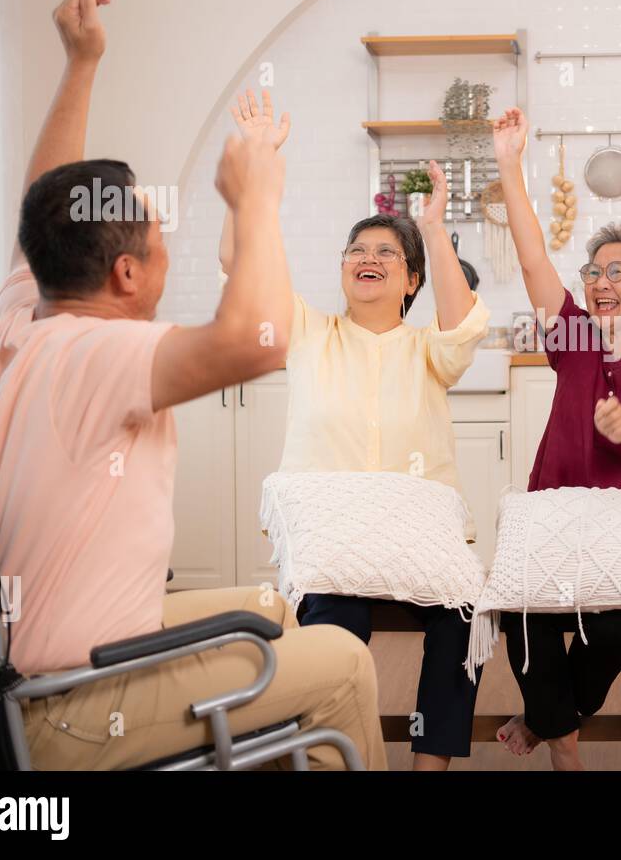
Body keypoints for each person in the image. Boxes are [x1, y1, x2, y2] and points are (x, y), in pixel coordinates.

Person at [0, 0, 386, 770]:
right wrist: (257, 197)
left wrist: (81, 63)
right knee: (346, 664)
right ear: (126, 274)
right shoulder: (98, 353)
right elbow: (258, 339)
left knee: (275, 611)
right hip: (79, 708)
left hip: (33, 677)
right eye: (159, 244)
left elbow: (43, 202)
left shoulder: (24, 320)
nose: (166, 255)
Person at [218, 95, 491, 771]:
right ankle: (341, 761)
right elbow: (241, 267)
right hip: (334, 540)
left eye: (386, 254)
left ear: (410, 280)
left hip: (420, 541)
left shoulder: (430, 347)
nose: (368, 258)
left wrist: (431, 224)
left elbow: (463, 324)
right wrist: (254, 173)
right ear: (343, 269)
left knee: (461, 619)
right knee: (337, 638)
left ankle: (429, 766)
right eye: (356, 251)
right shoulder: (308, 331)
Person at [488, 107, 621, 770]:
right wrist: (508, 165)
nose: (600, 282)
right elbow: (532, 260)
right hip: (554, 518)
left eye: (618, 271)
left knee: (614, 627)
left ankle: (546, 721)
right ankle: (565, 749)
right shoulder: (575, 336)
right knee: (524, 616)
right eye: (594, 271)